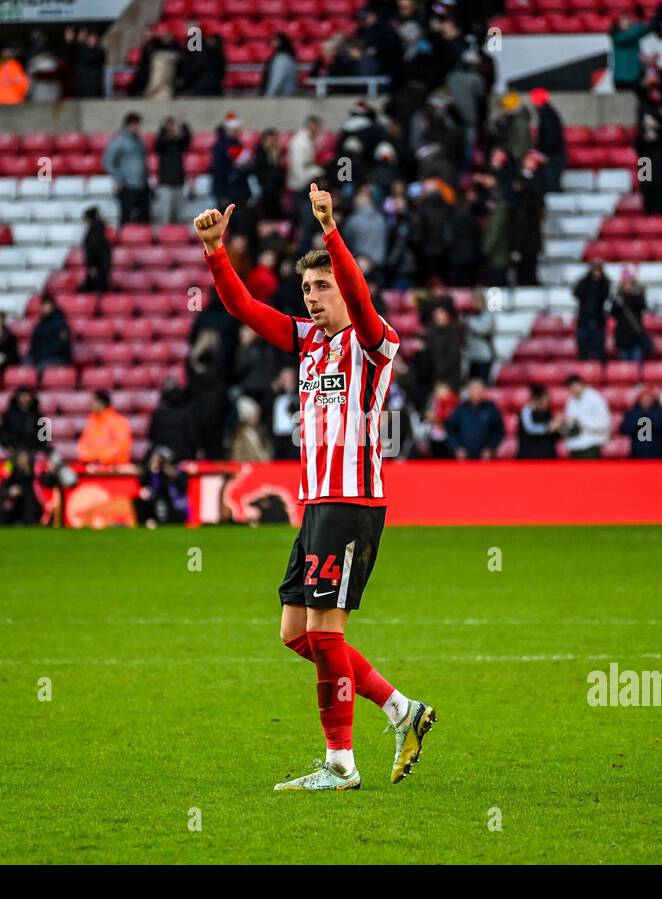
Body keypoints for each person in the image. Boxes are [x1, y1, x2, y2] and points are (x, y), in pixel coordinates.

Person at [194, 184, 435, 792]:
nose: (313, 296)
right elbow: (247, 310)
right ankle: (401, 710)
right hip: (316, 506)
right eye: (307, 288)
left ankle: (340, 765)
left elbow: (359, 294)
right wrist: (216, 253)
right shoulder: (308, 342)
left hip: (352, 503)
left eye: (321, 286)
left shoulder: (372, 343)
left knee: (326, 633)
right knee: (296, 633)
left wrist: (330, 229)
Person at [103, 112, 150, 226]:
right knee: (126, 216)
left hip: (142, 184)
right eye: (135, 124)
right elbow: (108, 162)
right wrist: (119, 179)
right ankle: (125, 240)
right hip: (127, 185)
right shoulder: (119, 141)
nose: (138, 127)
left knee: (144, 216)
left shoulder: (139, 140)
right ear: (129, 125)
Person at [446, 378, 504, 459]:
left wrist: (491, 448)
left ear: (483, 392)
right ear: (469, 392)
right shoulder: (459, 409)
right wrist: (456, 448)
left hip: (485, 458)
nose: (476, 394)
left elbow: (498, 431)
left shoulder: (491, 409)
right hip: (463, 457)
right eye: (474, 391)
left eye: (479, 391)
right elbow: (451, 431)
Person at [76, 390, 133, 466]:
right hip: (92, 468)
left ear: (102, 403)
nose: (90, 404)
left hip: (114, 470)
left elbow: (121, 447)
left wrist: (99, 458)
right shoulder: (91, 423)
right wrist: (91, 458)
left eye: (93, 401)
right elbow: (83, 446)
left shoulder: (118, 422)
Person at [562, 374, 611, 459]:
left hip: (591, 445)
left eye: (574, 386)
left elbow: (604, 424)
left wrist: (581, 422)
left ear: (581, 384)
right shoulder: (570, 401)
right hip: (574, 445)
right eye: (570, 388)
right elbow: (570, 420)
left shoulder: (595, 399)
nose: (572, 389)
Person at [153, 116, 191, 224]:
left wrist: (183, 125)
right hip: (165, 183)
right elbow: (158, 143)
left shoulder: (178, 143)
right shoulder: (162, 144)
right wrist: (163, 130)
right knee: (165, 216)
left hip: (178, 182)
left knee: (179, 215)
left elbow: (187, 139)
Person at [610, 269, 650, 361]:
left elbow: (643, 307)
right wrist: (617, 300)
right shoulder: (618, 298)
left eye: (629, 283)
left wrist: (637, 294)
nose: (627, 286)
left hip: (635, 337)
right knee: (626, 370)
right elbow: (612, 313)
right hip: (622, 338)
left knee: (636, 368)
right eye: (625, 283)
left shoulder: (637, 297)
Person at [620, 387, 662, 459]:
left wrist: (649, 420)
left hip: (657, 451)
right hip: (637, 451)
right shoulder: (632, 413)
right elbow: (624, 429)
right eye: (644, 397)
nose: (646, 400)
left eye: (649, 397)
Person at [573, 263, 610, 362]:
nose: (596, 273)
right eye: (594, 270)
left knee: (599, 351)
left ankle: (598, 373)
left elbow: (604, 295)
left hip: (597, 321)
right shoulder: (584, 283)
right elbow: (576, 293)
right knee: (583, 350)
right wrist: (585, 281)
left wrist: (598, 283)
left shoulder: (604, 283)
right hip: (584, 321)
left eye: (598, 271)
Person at [28, 294, 72, 369]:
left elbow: (63, 345)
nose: (44, 307)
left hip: (57, 358)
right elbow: (34, 345)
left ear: (53, 306)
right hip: (40, 358)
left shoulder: (61, 324)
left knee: (42, 367)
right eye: (43, 305)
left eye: (46, 305)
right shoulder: (39, 325)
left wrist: (44, 353)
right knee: (25, 366)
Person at [78, 207, 111, 293]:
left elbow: (93, 252)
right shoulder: (99, 232)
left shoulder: (94, 235)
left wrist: (93, 266)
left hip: (97, 269)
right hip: (101, 269)